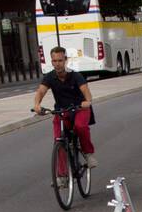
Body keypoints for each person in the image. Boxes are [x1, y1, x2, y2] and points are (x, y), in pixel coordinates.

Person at [33, 45, 97, 173]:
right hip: (62, 111)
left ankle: (88, 154)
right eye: (55, 61)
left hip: (79, 108)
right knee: (59, 140)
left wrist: (87, 102)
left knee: (80, 127)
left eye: (60, 60)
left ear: (65, 60)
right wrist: (37, 105)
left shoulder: (75, 75)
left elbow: (86, 91)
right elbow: (41, 91)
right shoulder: (50, 77)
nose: (57, 64)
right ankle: (62, 176)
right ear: (51, 62)